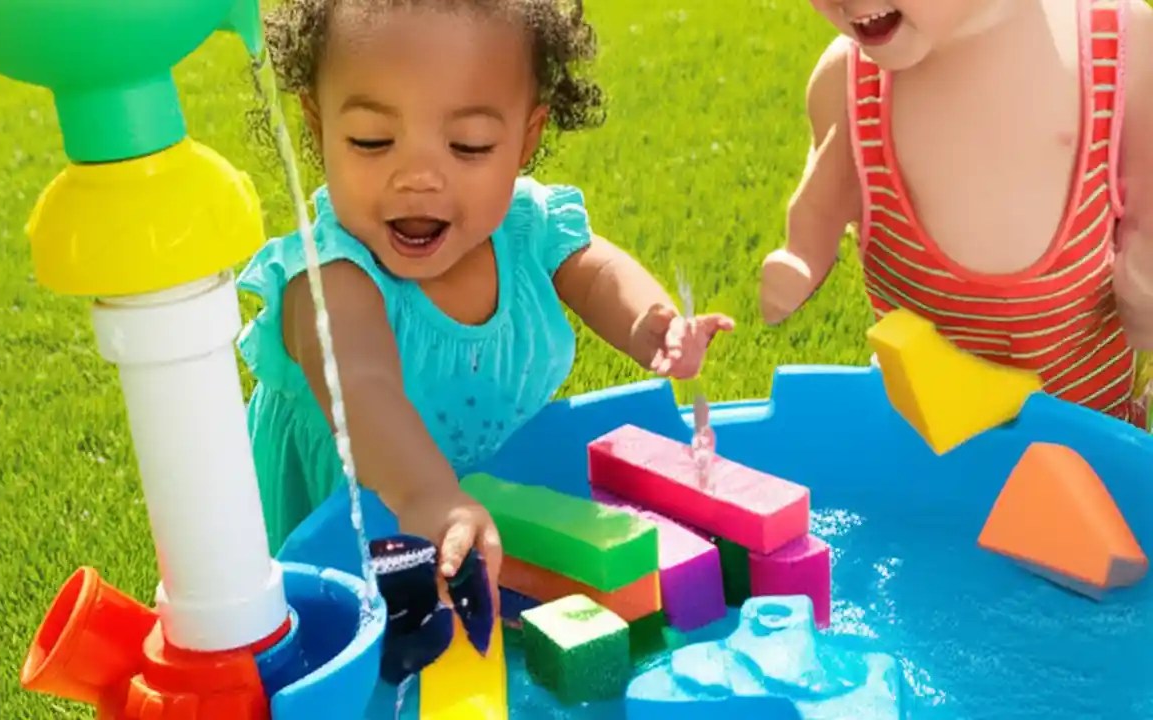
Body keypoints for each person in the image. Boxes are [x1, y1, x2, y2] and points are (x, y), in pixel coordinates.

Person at [238, 0, 733, 593]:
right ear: (318, 126)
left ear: (526, 138)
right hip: (350, 501)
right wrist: (427, 493)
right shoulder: (328, 276)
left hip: (475, 495)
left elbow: (598, 274)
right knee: (347, 632)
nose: (418, 176)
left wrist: (650, 323)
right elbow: (360, 382)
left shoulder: (526, 230)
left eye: (468, 145)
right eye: (372, 140)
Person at [760, 0, 1153, 429]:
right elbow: (822, 198)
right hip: (925, 424)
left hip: (1086, 433)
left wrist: (1142, 271)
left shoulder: (1117, 48)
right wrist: (802, 256)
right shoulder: (851, 82)